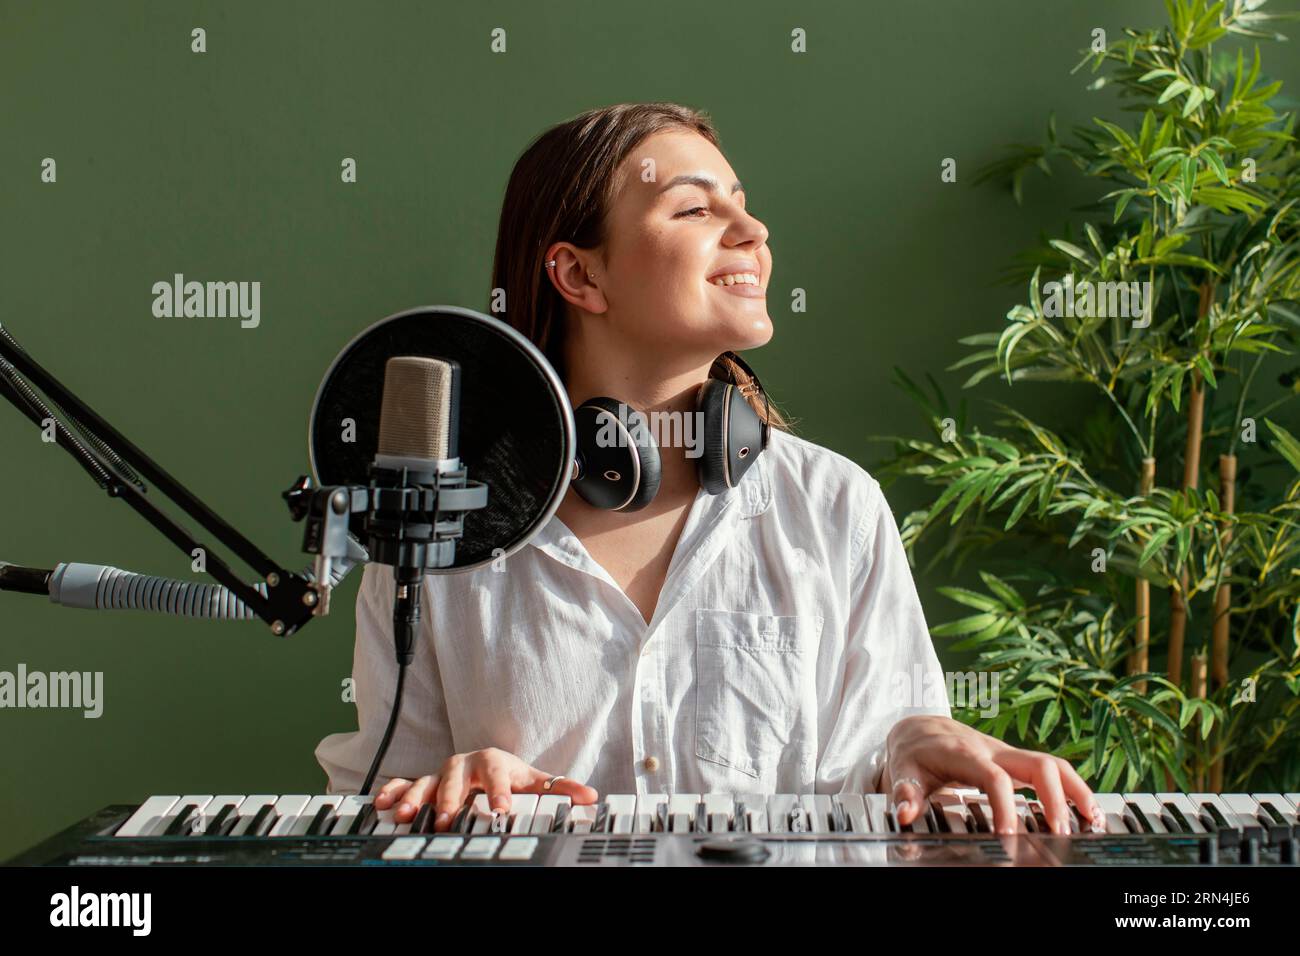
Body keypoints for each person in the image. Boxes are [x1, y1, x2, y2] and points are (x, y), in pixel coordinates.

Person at [315, 102, 1104, 837]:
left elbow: (891, 796)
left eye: (744, 203)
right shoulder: (434, 525)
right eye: (696, 209)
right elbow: (369, 813)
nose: (754, 230)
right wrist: (443, 794)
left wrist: (910, 750)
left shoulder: (834, 507)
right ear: (580, 275)